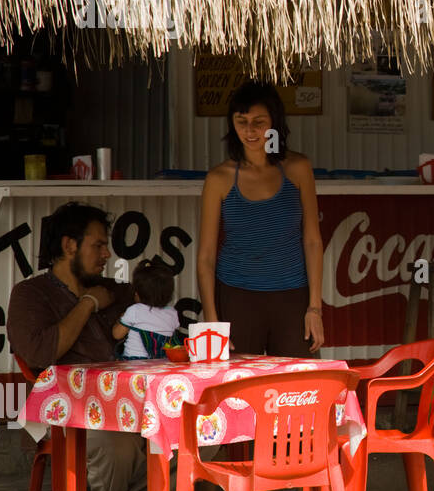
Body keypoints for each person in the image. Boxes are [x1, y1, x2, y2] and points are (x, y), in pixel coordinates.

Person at [7, 202, 148, 491]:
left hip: (135, 401)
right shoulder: (30, 294)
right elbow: (40, 353)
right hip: (72, 409)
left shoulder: (115, 291)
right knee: (117, 442)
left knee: (202, 438)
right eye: (98, 245)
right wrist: (86, 304)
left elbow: (155, 316)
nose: (107, 254)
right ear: (69, 245)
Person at [197, 81, 325, 357]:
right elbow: (206, 256)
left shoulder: (298, 168)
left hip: (293, 296)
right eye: (241, 122)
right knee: (236, 389)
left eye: (259, 122)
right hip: (236, 295)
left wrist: (315, 308)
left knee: (297, 386)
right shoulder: (219, 178)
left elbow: (313, 240)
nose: (250, 131)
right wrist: (211, 319)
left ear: (274, 122)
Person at [113, 259, 179, 359]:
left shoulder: (134, 311)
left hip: (134, 364)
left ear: (137, 293)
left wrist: (121, 318)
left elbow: (117, 334)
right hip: (160, 364)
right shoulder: (172, 313)